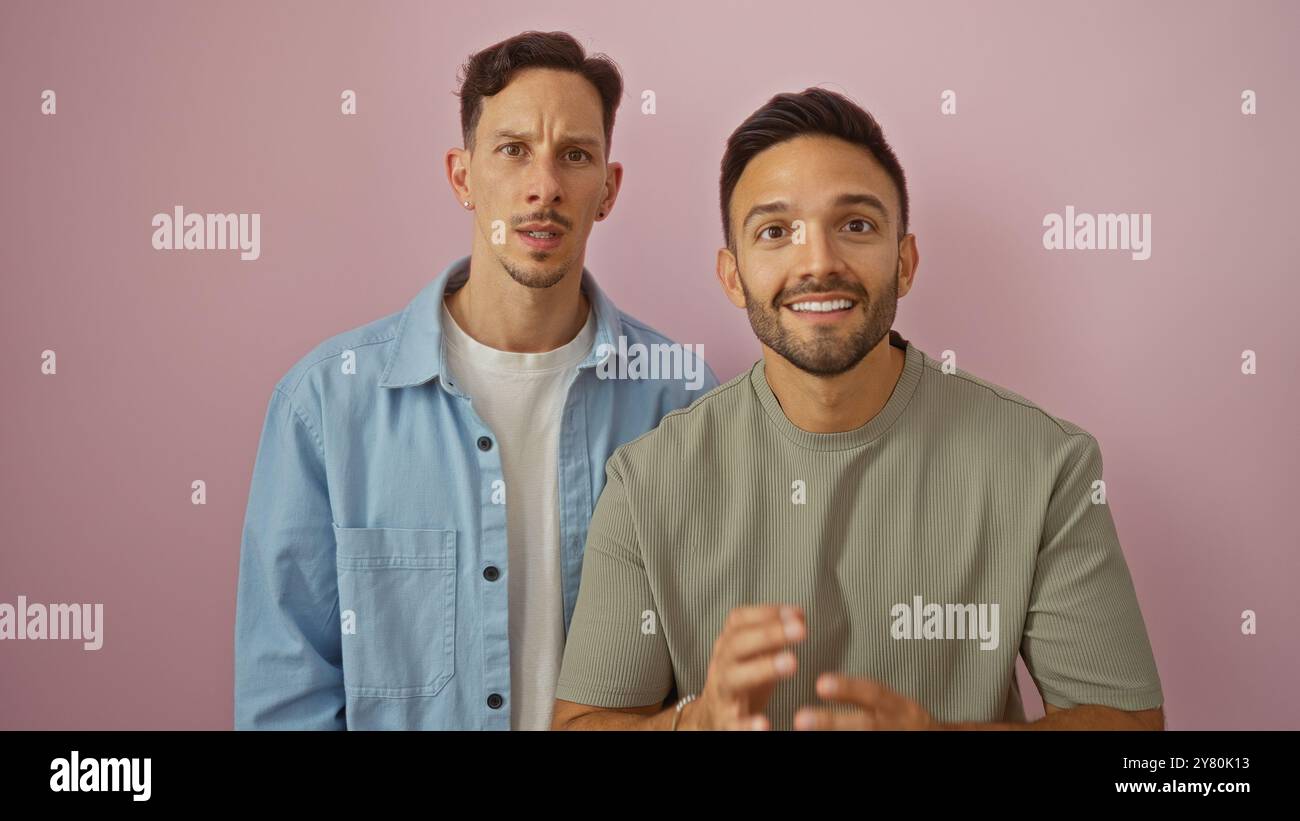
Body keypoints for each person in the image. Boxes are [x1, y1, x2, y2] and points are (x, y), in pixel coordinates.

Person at [552, 87, 1164, 731]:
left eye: (856, 225)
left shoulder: (1048, 466)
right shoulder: (646, 481)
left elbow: (1134, 734)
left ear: (904, 263)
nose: (818, 262)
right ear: (733, 276)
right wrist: (696, 723)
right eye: (776, 231)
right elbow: (582, 722)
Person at [234, 31, 717, 730]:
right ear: (463, 176)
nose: (543, 186)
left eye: (574, 155)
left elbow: (704, 671)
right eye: (513, 149)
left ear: (608, 190)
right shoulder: (325, 405)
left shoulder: (682, 399)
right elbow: (285, 697)